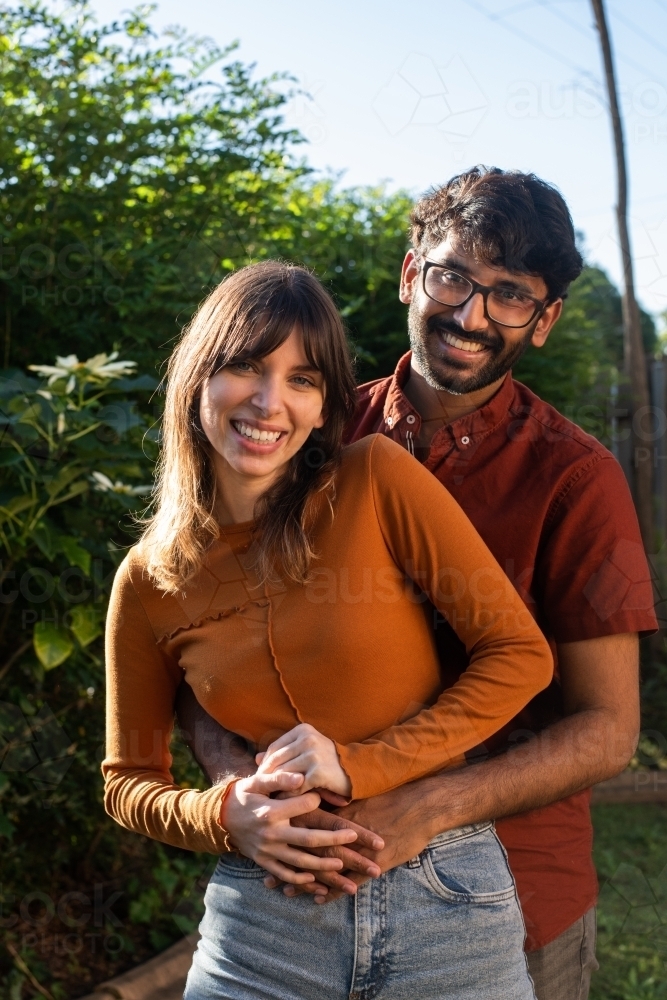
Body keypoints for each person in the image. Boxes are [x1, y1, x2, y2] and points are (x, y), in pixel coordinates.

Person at [180, 167, 658, 1000]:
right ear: (411, 273)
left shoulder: (576, 480)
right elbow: (198, 643)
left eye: (509, 295)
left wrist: (428, 808)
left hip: (514, 891)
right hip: (306, 891)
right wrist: (236, 788)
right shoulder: (304, 432)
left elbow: (607, 730)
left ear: (541, 322)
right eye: (452, 276)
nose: (470, 315)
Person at [103, 260, 555, 1000]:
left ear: (324, 410)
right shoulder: (147, 579)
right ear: (197, 379)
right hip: (262, 922)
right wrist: (223, 814)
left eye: (303, 379)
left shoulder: (376, 480)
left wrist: (358, 764)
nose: (268, 400)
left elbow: (517, 656)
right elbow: (129, 782)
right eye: (244, 365)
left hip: (442, 901)